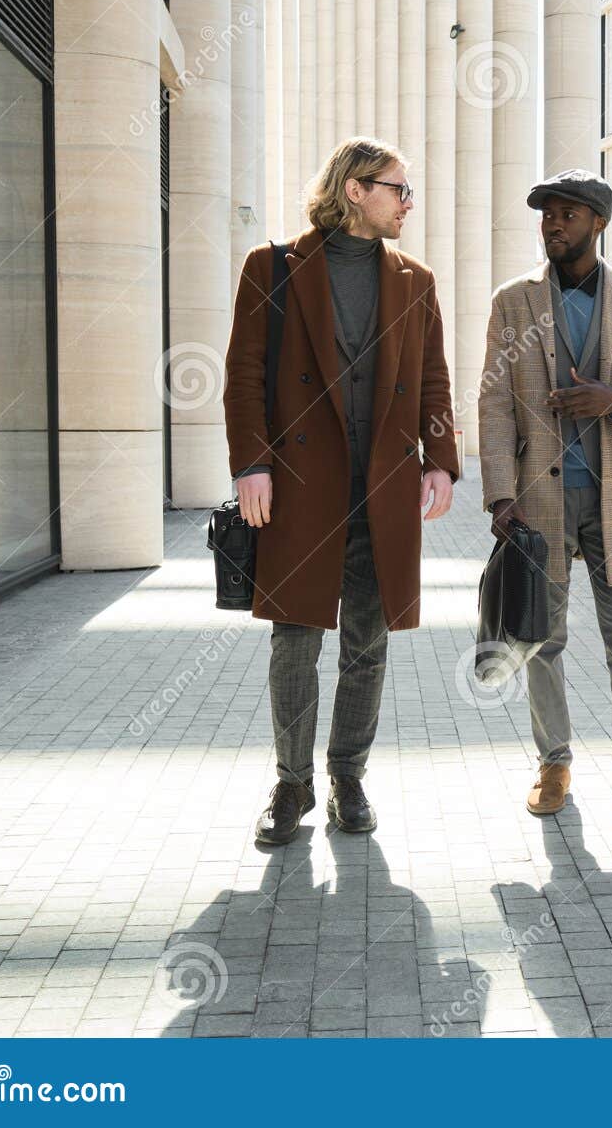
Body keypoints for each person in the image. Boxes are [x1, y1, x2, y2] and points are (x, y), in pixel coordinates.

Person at [222, 137, 458, 844]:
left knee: (368, 642)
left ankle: (346, 776)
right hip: (300, 486)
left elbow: (433, 380)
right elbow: (244, 375)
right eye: (398, 189)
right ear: (355, 189)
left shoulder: (415, 280)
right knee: (295, 639)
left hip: (381, 489)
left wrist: (440, 459)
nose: (407, 202)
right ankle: (291, 784)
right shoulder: (275, 268)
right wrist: (251, 464)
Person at [477, 168, 612, 823]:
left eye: (568, 213)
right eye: (546, 214)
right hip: (538, 501)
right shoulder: (513, 302)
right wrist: (498, 498)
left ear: (598, 222)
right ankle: (554, 763)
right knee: (543, 639)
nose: (553, 224)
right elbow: (492, 404)